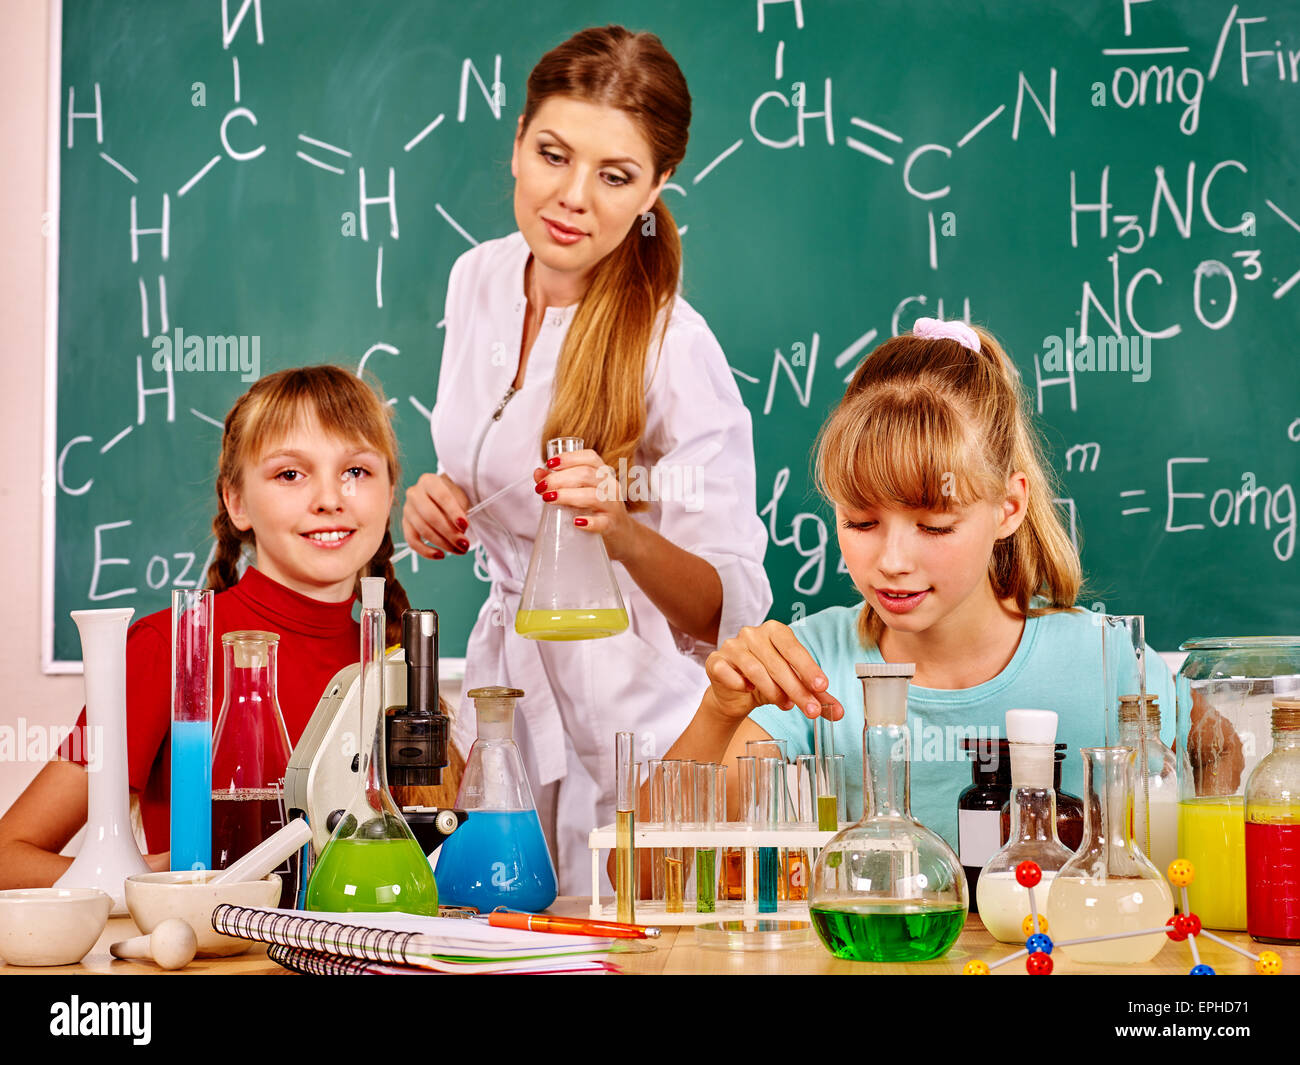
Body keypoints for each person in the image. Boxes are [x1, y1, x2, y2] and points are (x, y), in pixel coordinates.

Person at [402, 26, 771, 891]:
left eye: (615, 176)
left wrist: (620, 530)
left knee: (625, 933)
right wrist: (441, 499)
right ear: (518, 140)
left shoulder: (673, 346)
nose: (572, 198)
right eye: (552, 154)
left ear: (656, 189)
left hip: (639, 714)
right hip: (507, 705)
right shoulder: (478, 280)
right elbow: (487, 458)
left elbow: (730, 608)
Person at [660, 319, 1176, 850]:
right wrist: (718, 712)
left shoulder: (1112, 662)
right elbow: (647, 877)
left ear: (1008, 507)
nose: (892, 561)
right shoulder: (812, 666)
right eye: (860, 523)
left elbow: (1209, 814)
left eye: (934, 526)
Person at [0, 366, 459, 888]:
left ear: (390, 492)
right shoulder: (165, 648)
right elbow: (8, 856)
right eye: (291, 474)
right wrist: (145, 878)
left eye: (356, 471)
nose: (330, 499)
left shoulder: (397, 664)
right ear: (236, 502)